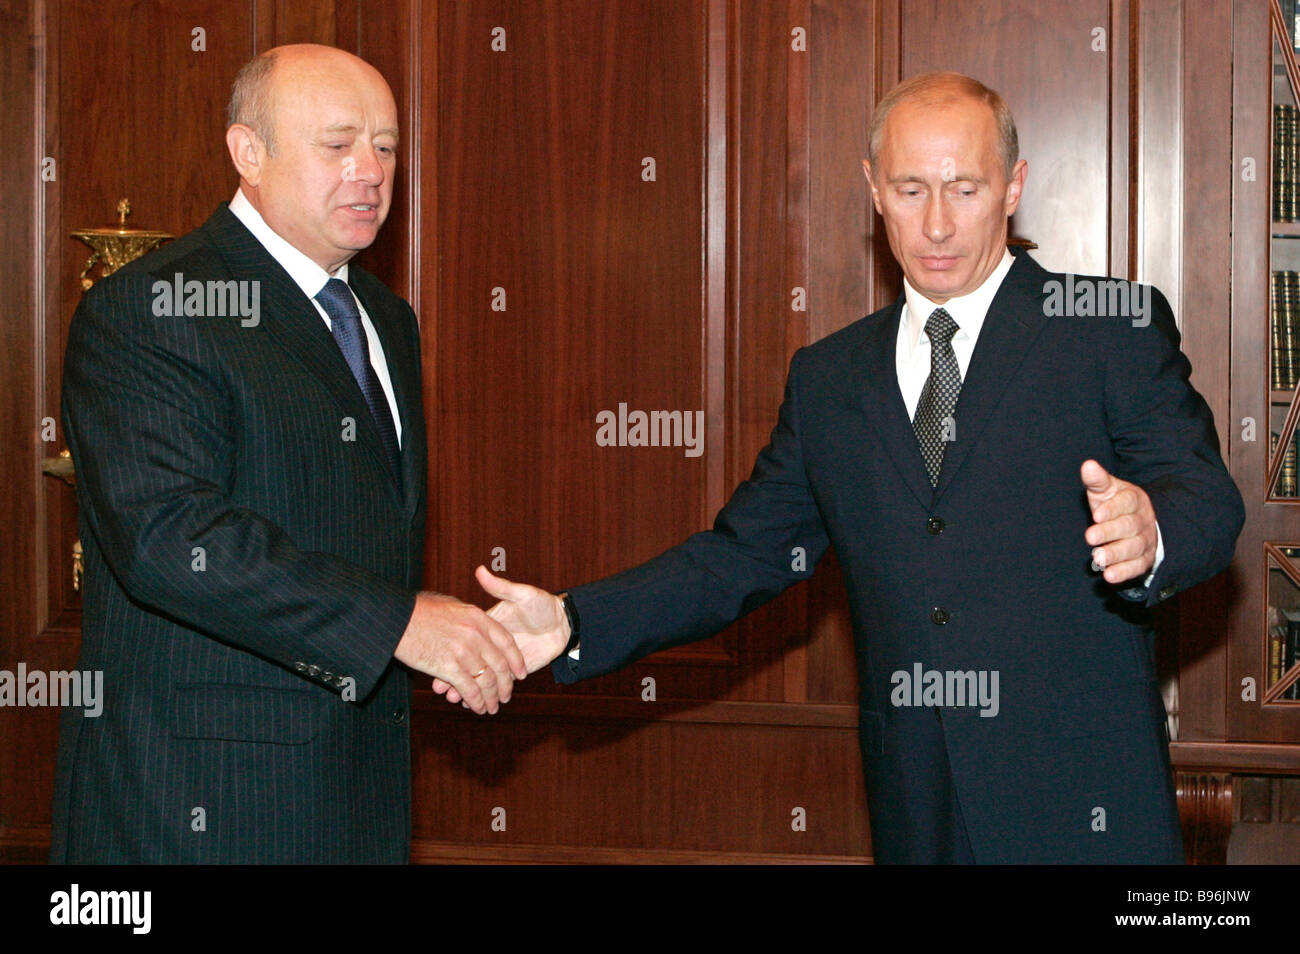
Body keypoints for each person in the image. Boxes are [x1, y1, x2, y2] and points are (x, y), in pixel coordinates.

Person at [449, 71, 1246, 863]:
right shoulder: (830, 378)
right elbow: (742, 555)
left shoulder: (1108, 327)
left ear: (1013, 186)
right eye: (910, 190)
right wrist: (576, 620)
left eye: (964, 189)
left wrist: (1155, 535)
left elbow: (1207, 499)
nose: (937, 224)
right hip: (917, 812)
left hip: (1088, 806)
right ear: (873, 190)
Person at [51, 44, 525, 864]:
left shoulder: (385, 318)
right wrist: (401, 623)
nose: (370, 171)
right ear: (248, 152)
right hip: (201, 809)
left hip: (356, 798)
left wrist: (427, 635)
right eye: (338, 144)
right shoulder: (154, 305)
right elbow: (169, 539)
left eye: (385, 146)